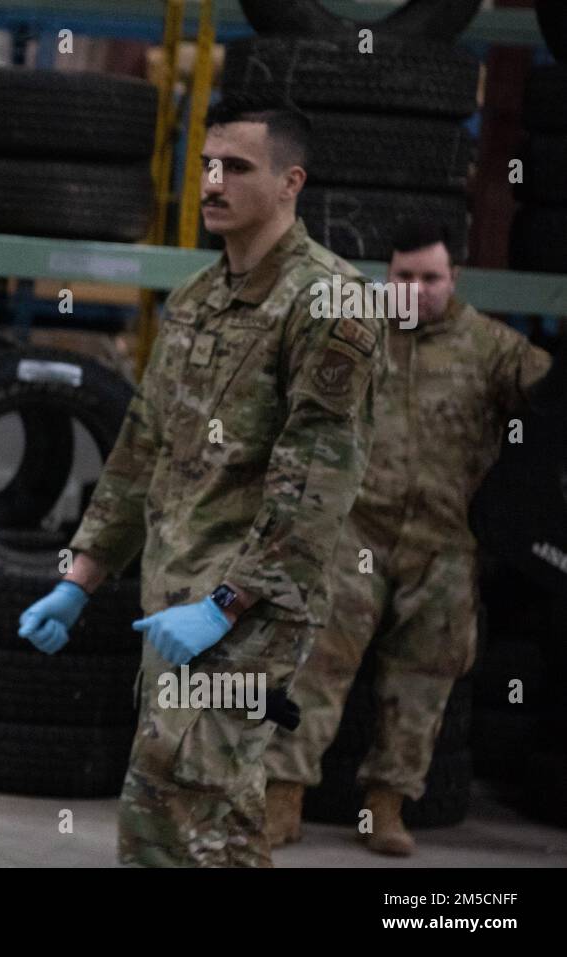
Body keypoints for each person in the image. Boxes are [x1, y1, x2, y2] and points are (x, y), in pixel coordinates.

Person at [18, 94, 387, 867]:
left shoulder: (331, 302)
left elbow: (316, 480)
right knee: (211, 813)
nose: (212, 183)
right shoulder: (194, 300)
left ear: (291, 182)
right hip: (173, 597)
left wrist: (226, 605)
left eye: (237, 168)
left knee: (170, 806)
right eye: (207, 165)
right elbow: (141, 447)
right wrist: (80, 578)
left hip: (252, 606)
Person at [263, 221, 559, 856]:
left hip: (444, 543)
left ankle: (385, 809)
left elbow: (550, 404)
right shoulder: (351, 335)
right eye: (403, 276)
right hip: (354, 531)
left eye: (430, 278)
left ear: (454, 281)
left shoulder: (493, 348)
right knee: (315, 664)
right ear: (385, 277)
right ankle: (281, 799)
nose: (416, 290)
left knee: (423, 680)